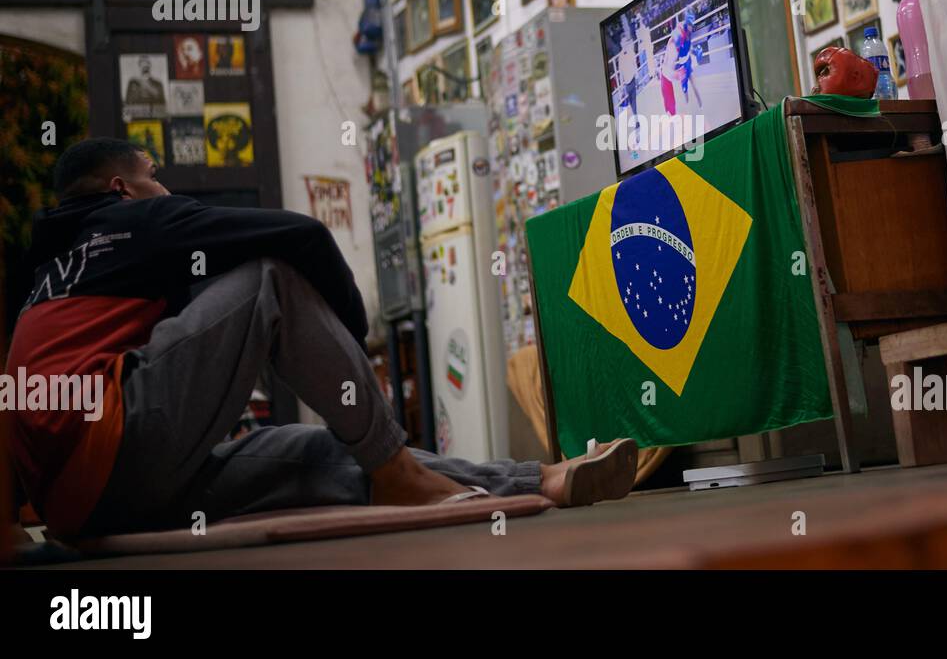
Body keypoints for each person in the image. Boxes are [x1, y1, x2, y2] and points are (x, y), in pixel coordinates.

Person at [7, 139, 638, 539]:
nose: (166, 189)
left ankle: (541, 480)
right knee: (268, 282)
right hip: (114, 447)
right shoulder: (136, 219)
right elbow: (303, 236)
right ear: (122, 189)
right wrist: (344, 342)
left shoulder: (40, 270)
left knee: (309, 452)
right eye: (154, 175)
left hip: (81, 508)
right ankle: (395, 466)